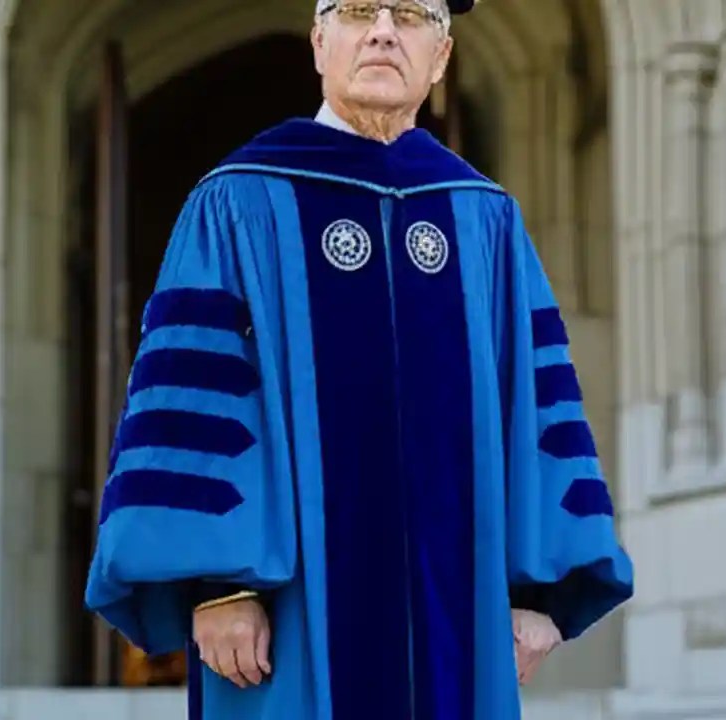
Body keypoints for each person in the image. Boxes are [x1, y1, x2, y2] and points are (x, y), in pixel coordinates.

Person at [84, 1, 634, 718]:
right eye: (356, 10)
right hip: (286, 622)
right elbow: (193, 405)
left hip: (458, 617)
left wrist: (538, 597)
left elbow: (537, 406)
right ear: (319, 43)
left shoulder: (482, 216)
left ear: (440, 56)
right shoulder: (239, 200)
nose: (381, 30)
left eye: (409, 14)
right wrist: (219, 586)